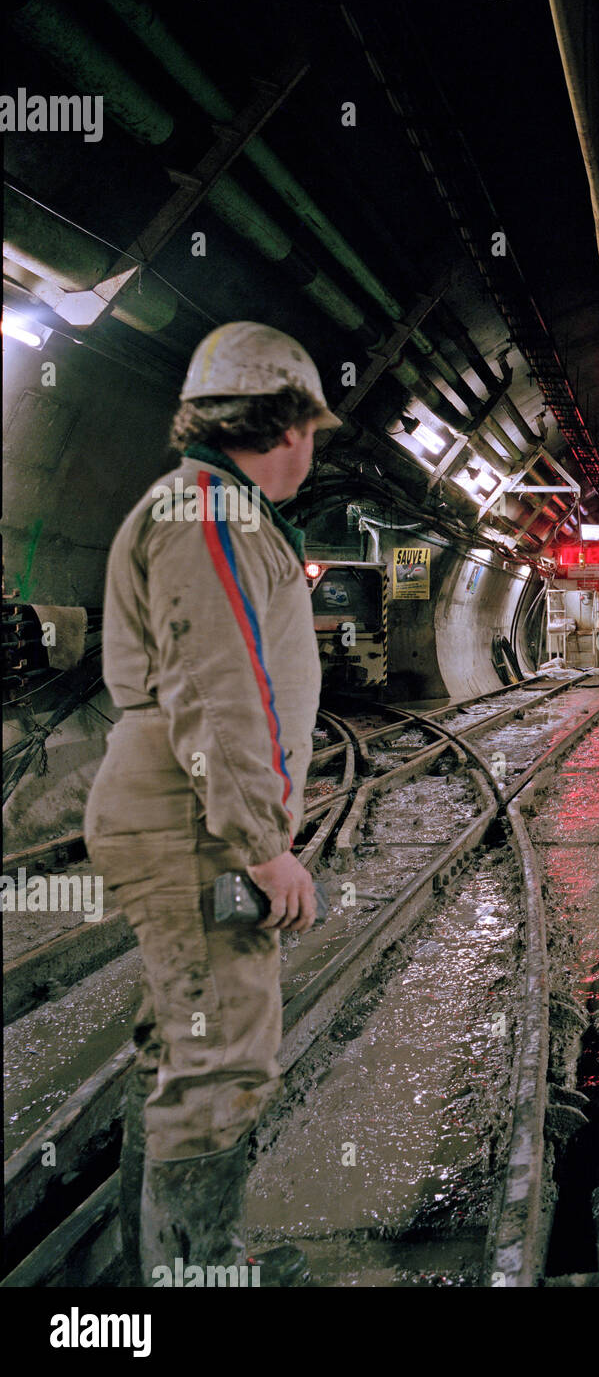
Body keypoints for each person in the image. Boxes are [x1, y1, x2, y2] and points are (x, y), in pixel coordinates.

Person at [85, 322, 340, 1286]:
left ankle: (169, 1270)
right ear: (285, 429)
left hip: (177, 801)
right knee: (220, 1057)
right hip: (189, 815)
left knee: (180, 1044)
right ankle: (196, 1278)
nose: (312, 450)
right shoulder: (204, 512)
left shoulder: (214, 510)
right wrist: (262, 842)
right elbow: (217, 684)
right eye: (310, 430)